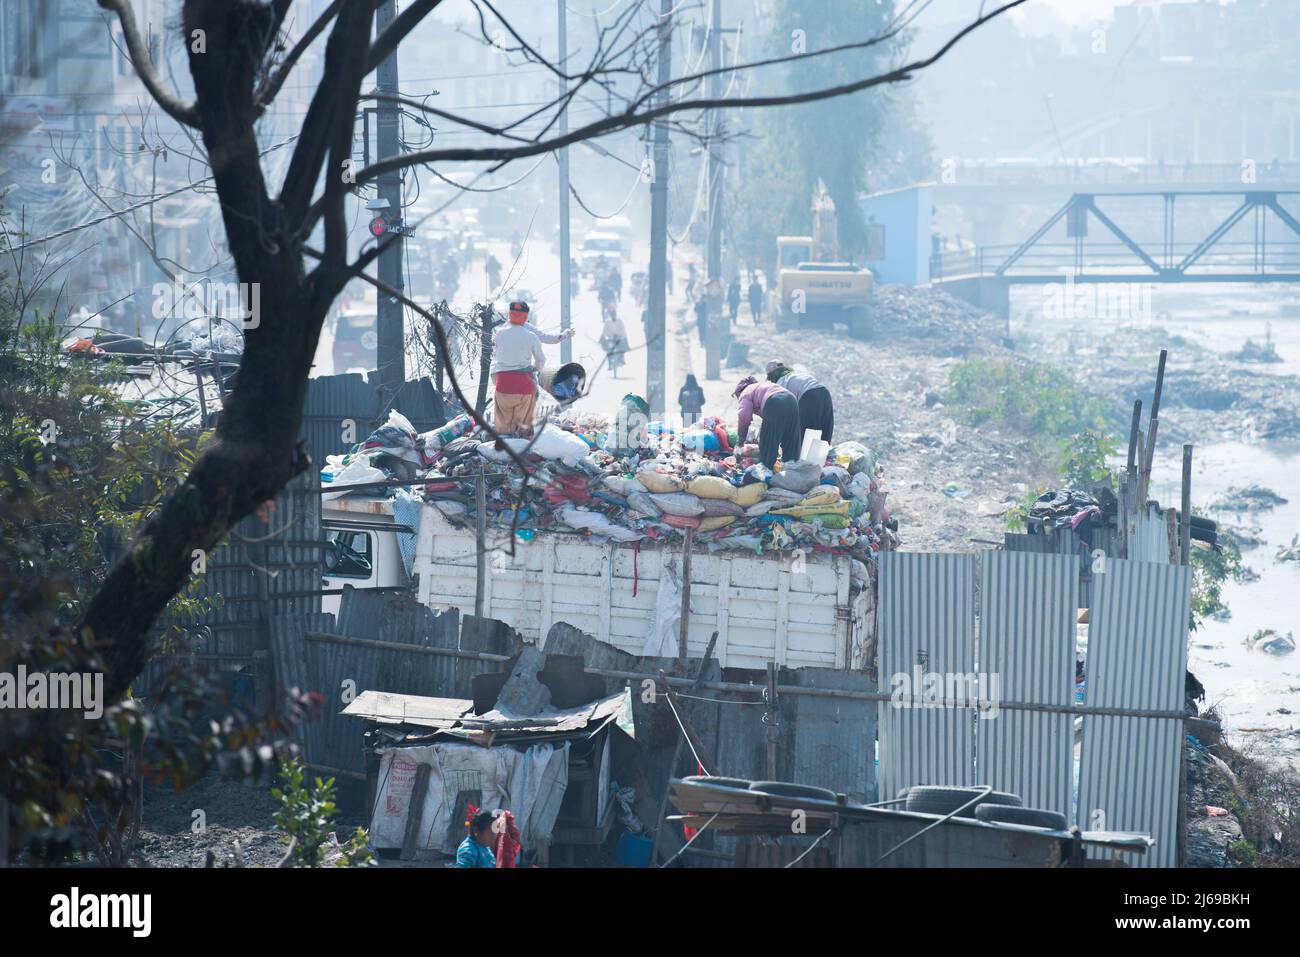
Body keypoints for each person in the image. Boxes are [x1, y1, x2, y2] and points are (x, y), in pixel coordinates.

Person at [491, 301, 547, 437]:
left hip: (503, 384)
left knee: (504, 429)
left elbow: (497, 355)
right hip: (525, 386)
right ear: (526, 317)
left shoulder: (499, 334)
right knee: (524, 429)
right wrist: (534, 368)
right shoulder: (531, 336)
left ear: (510, 315)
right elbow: (541, 361)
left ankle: (504, 455)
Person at [734, 374, 801, 470]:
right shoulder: (762, 387)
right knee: (790, 439)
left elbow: (743, 416)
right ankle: (790, 471)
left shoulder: (745, 392)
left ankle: (765, 472)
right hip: (792, 401)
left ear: (739, 390)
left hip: (775, 401)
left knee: (769, 442)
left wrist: (741, 440)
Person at [766, 360, 835, 443]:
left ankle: (801, 454)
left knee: (806, 429)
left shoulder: (781, 382)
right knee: (826, 425)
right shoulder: (798, 374)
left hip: (809, 395)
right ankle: (824, 452)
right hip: (824, 392)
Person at [600, 312, 628, 377]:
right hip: (610, 338)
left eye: (614, 315)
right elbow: (604, 331)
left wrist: (622, 336)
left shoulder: (620, 321)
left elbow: (623, 330)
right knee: (608, 350)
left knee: (622, 347)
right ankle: (610, 364)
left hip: (618, 338)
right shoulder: (607, 322)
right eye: (612, 315)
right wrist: (607, 336)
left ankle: (621, 359)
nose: (613, 317)